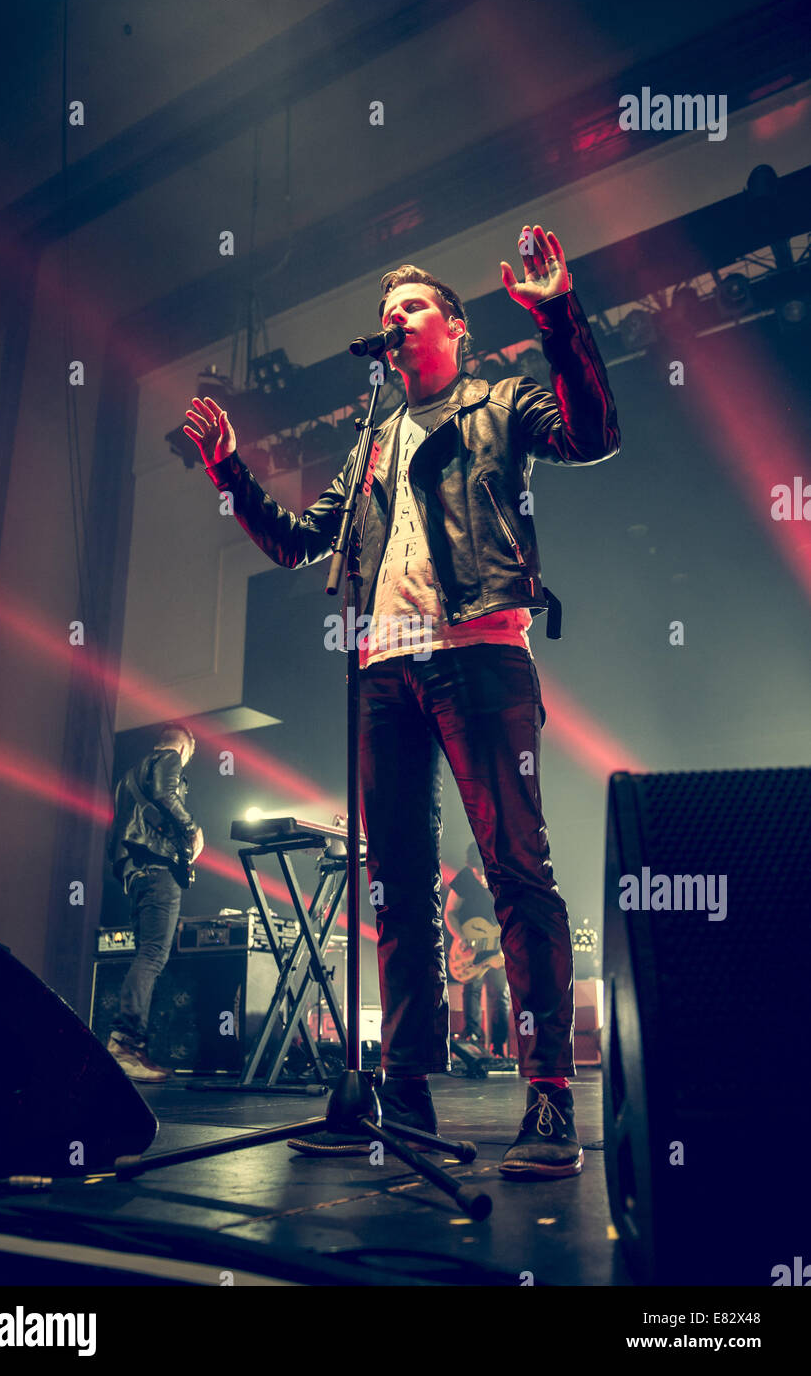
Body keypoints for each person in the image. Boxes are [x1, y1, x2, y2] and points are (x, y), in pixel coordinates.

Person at [183, 224, 620, 1175]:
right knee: (399, 888)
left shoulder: (499, 404)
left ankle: (547, 1100)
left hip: (481, 655)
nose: (395, 320)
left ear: (456, 327)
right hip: (383, 669)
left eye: (413, 307)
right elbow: (305, 542)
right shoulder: (371, 442)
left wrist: (556, 314)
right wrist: (229, 470)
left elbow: (596, 433)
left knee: (514, 867)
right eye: (387, 314)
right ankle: (405, 1097)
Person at [105, 723, 203, 1080]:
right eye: (189, 754)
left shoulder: (128, 776)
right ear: (185, 747)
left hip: (136, 870)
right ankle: (125, 1046)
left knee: (145, 954)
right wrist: (192, 829)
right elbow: (167, 795)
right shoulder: (168, 758)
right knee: (152, 955)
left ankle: (131, 1048)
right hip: (158, 869)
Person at [445, 842, 510, 1057]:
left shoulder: (504, 876)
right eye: (476, 871)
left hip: (498, 946)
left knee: (500, 994)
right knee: (471, 989)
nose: (480, 876)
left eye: (483, 871)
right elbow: (450, 912)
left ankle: (499, 1047)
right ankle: (471, 1038)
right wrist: (461, 937)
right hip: (471, 946)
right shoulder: (465, 879)